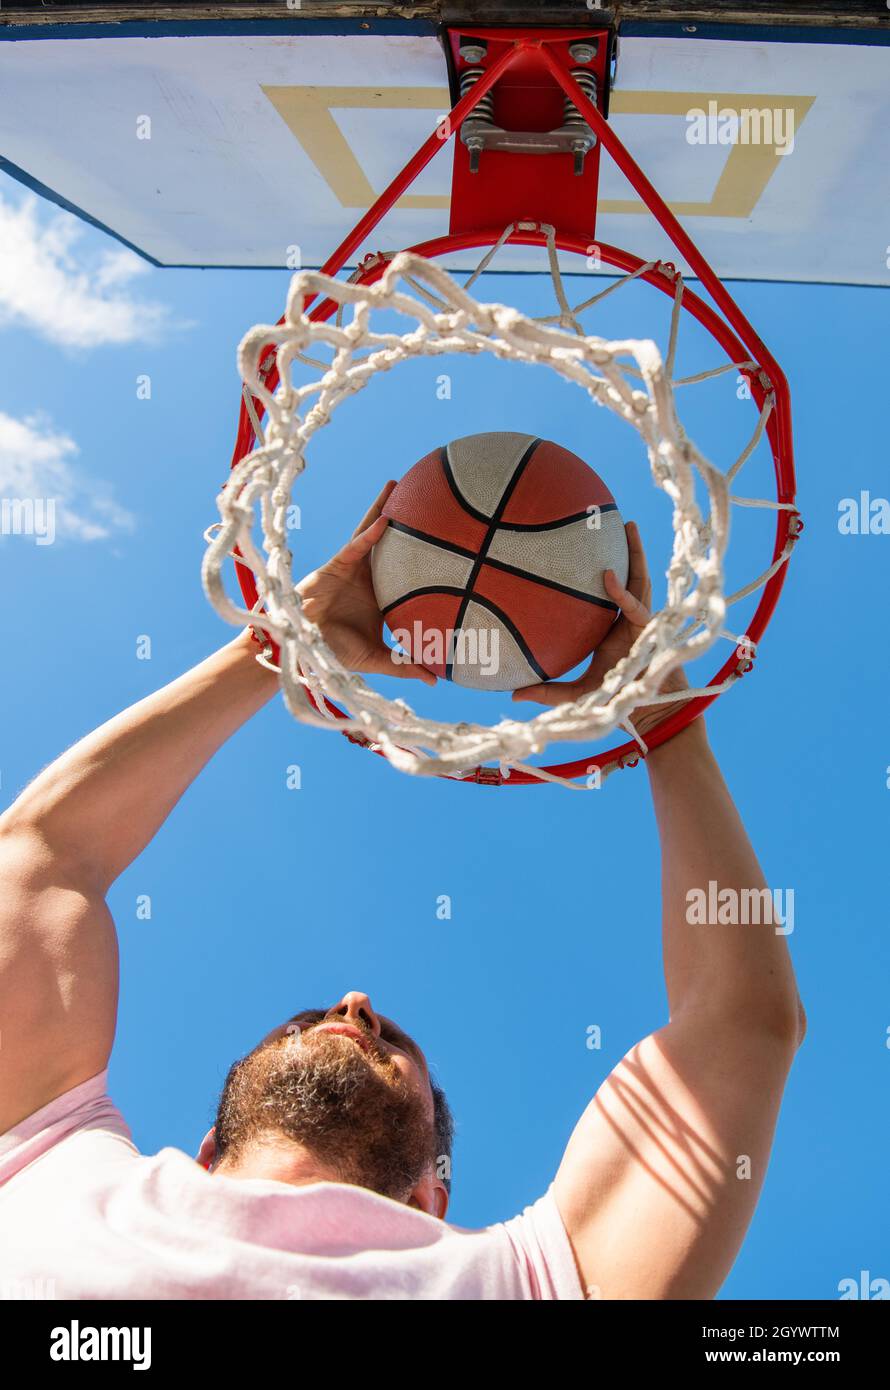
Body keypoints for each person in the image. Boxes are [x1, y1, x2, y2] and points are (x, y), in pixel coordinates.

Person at [0, 484, 805, 1300]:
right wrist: (286, 646)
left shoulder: (531, 1279)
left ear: (433, 1194)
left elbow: (743, 1025)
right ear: (206, 1150)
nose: (353, 1005)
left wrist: (667, 721)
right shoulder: (47, 1168)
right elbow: (38, 855)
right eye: (326, 1017)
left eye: (391, 1040)